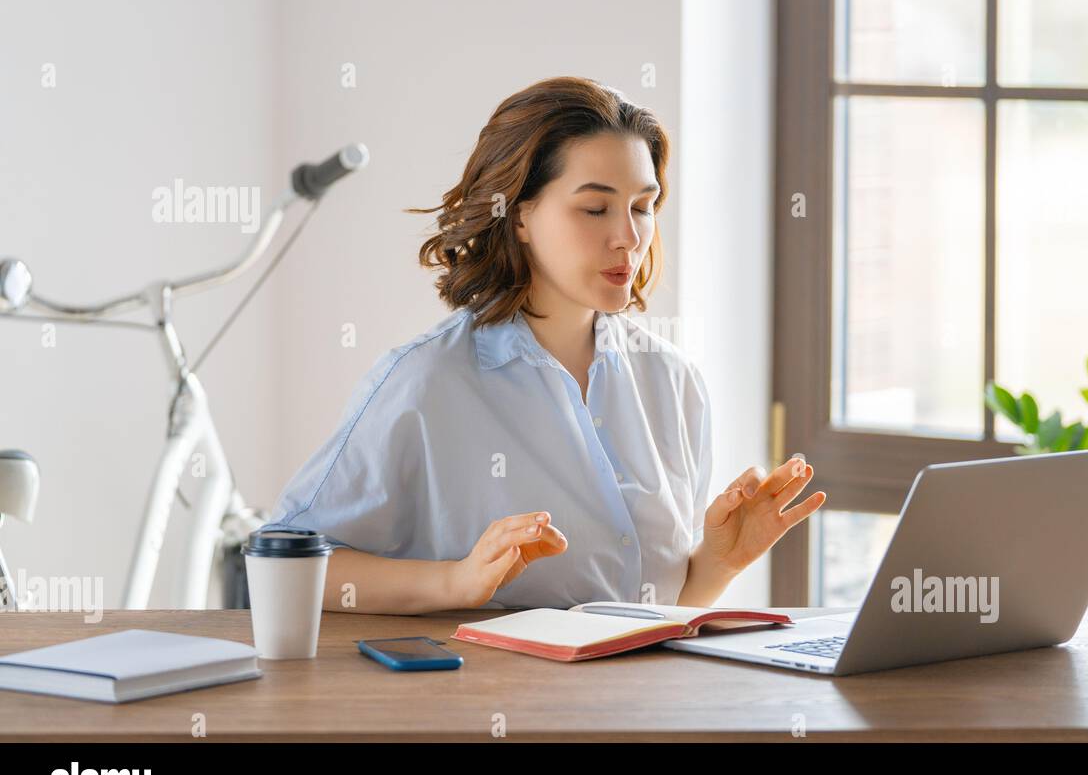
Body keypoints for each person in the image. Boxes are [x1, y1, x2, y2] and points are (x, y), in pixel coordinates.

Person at [260, 75, 826, 614]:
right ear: (521, 214)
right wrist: (456, 581)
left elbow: (655, 615)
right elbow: (287, 561)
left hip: (640, 710)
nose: (628, 237)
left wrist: (720, 564)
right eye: (595, 208)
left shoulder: (673, 382)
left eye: (643, 207)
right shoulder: (427, 381)